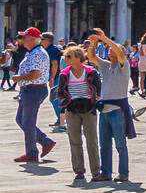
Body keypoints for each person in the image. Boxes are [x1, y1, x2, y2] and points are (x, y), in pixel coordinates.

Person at [86, 30, 132, 183]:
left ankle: (123, 173)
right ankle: (105, 172)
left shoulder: (123, 66)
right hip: (104, 110)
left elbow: (119, 52)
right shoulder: (106, 66)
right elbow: (91, 57)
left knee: (120, 144)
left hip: (117, 110)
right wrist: (93, 43)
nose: (108, 49)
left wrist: (104, 38)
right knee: (104, 144)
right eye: (108, 48)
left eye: (111, 48)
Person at [55, 45, 101, 184]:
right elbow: (60, 93)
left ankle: (96, 171)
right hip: (72, 110)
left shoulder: (91, 72)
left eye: (69, 56)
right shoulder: (64, 73)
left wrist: (94, 101)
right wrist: (67, 103)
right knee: (74, 141)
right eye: (65, 56)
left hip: (88, 109)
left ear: (78, 58)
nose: (66, 59)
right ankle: (79, 170)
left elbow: (99, 89)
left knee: (92, 141)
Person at [12, 27, 55, 164]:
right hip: (31, 90)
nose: (22, 40)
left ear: (31, 39)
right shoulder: (33, 52)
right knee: (21, 120)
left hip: (33, 90)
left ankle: (32, 153)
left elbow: (34, 74)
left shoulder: (37, 53)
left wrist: (18, 78)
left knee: (28, 123)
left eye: (24, 37)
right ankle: (45, 141)